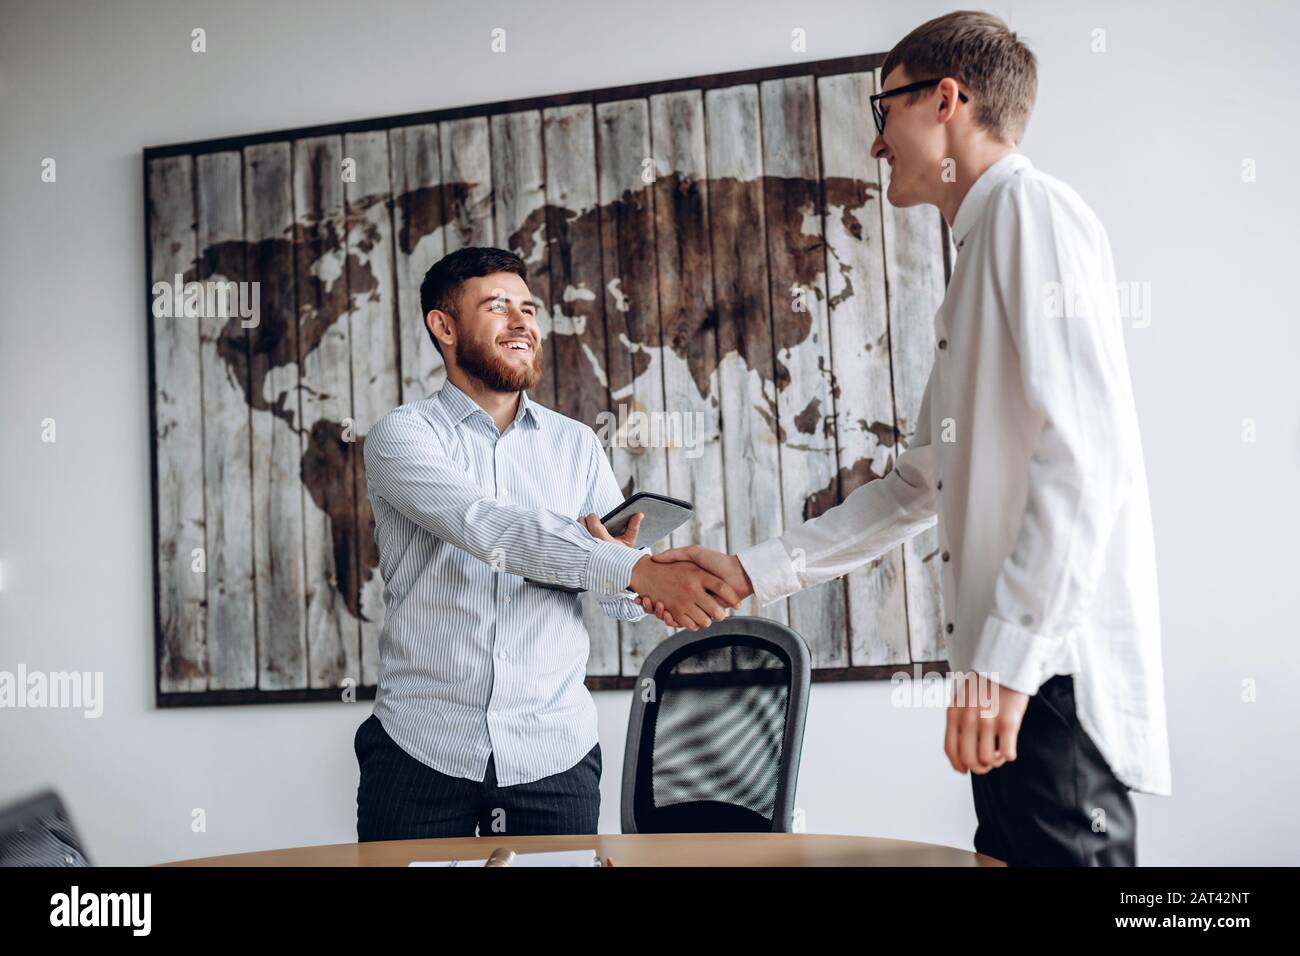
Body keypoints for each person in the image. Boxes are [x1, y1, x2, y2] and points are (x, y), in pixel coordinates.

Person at [634, 11, 1171, 866]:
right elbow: (918, 486)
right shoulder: (981, 250)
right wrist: (750, 574)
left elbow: (1086, 457)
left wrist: (1007, 663)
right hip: (1015, 682)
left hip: (1046, 683)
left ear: (947, 99)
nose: (876, 142)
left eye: (882, 109)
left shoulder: (1031, 212)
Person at [355, 246, 740, 840]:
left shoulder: (578, 444)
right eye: (498, 307)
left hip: (553, 755)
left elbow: (613, 596)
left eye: (528, 309)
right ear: (445, 326)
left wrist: (641, 583)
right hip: (421, 747)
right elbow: (485, 526)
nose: (523, 323)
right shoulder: (400, 436)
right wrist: (634, 570)